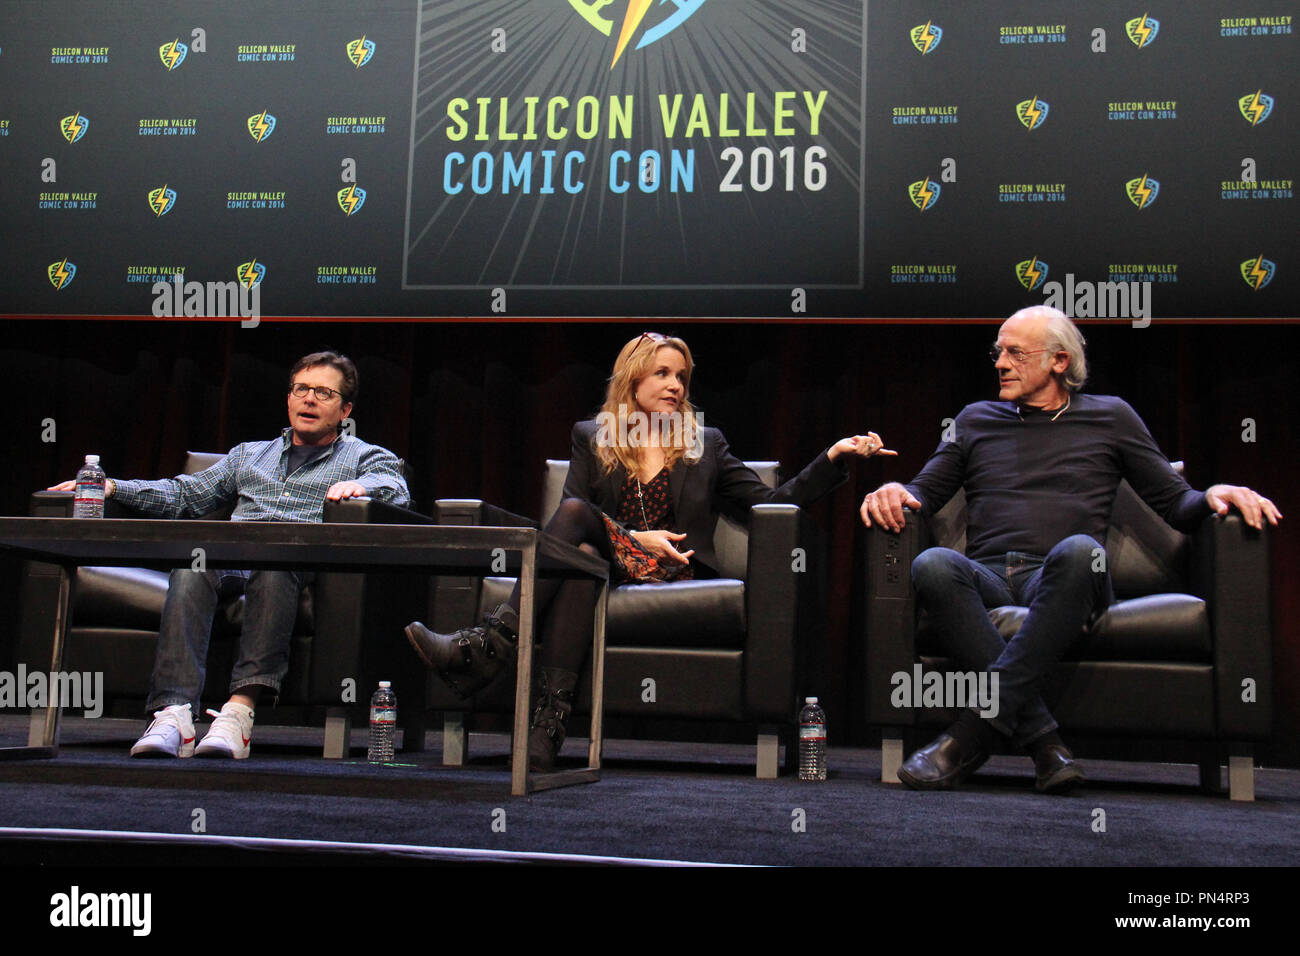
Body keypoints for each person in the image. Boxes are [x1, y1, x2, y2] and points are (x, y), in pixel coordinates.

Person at [406, 331, 895, 771]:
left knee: (579, 547)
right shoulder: (593, 437)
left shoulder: (705, 445)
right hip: (609, 565)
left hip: (675, 570)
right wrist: (636, 540)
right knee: (578, 542)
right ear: (632, 380)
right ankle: (544, 723)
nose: (675, 386)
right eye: (662, 373)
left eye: (681, 377)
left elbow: (770, 505)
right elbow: (569, 515)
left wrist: (833, 459)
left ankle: (491, 652)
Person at [860, 306, 1281, 793]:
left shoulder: (1112, 416)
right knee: (933, 563)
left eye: (1016, 353)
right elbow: (924, 491)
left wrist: (1213, 494)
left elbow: (1174, 502)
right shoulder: (973, 420)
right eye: (998, 351)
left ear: (1060, 361)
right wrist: (894, 489)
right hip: (991, 577)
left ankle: (970, 734)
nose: (1000, 363)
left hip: (1065, 575)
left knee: (1080, 550)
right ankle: (1045, 744)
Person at [50, 351, 410, 759]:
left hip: (299, 562)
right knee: (193, 564)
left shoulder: (363, 455)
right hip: (233, 558)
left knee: (275, 565)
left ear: (345, 409)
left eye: (323, 393)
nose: (309, 399)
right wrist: (115, 487)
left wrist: (361, 488)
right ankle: (173, 715)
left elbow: (394, 486)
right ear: (289, 398)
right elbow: (184, 495)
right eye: (301, 389)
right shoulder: (248, 455)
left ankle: (239, 712)